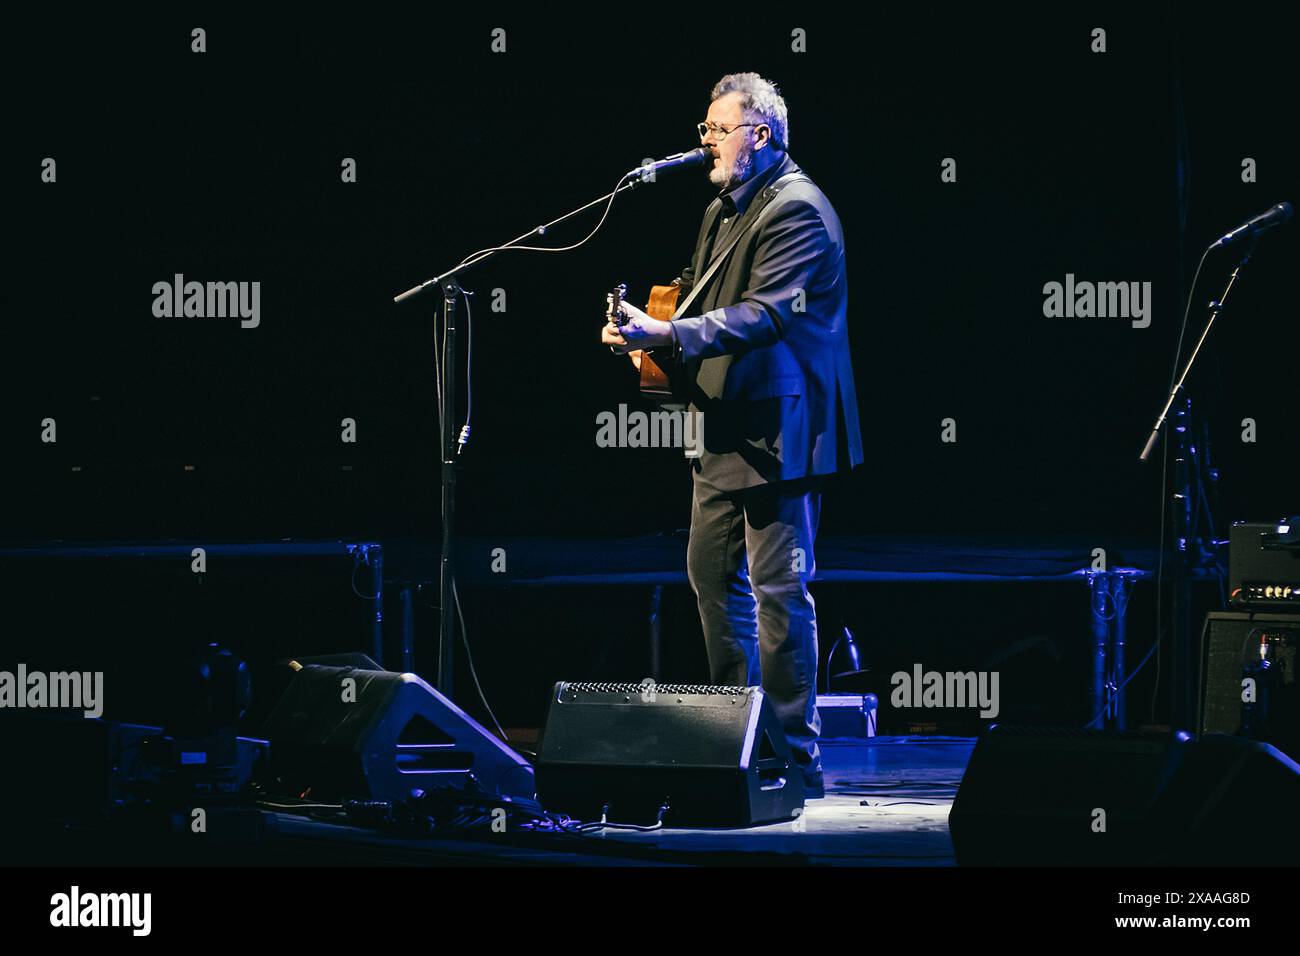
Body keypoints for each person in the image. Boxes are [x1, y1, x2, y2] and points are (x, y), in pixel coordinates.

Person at [604, 73, 862, 797]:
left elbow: (765, 314)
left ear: (762, 133)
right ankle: (737, 737)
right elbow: (696, 288)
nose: (706, 142)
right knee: (712, 581)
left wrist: (669, 331)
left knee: (779, 591)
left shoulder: (800, 211)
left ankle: (794, 758)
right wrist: (639, 332)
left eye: (719, 130)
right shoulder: (726, 206)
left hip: (782, 429)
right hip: (726, 424)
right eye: (705, 130)